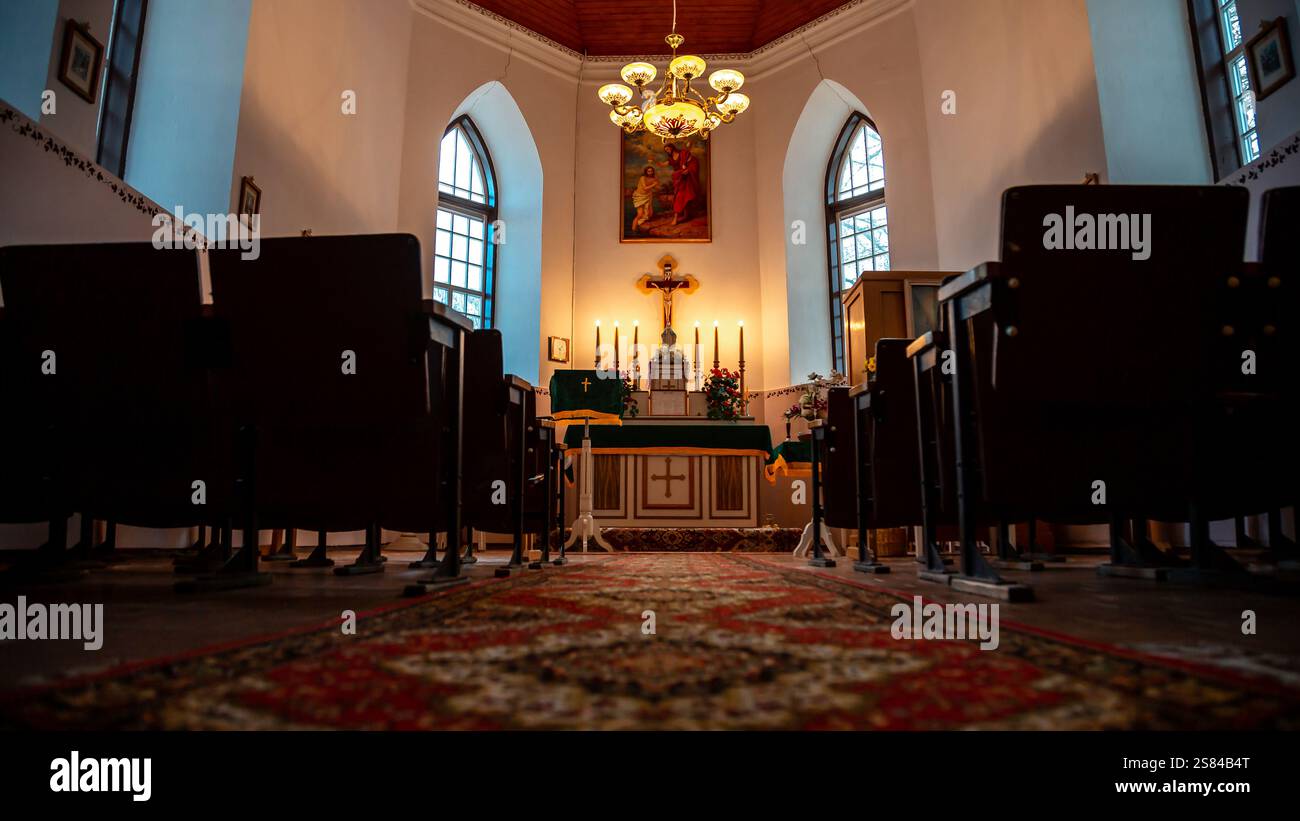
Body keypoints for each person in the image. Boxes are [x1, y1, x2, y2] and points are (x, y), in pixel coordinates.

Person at [664, 144, 701, 226]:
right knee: (679, 196)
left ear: (672, 147)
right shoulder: (671, 159)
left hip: (687, 179)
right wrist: (654, 161)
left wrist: (688, 169)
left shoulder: (683, 153)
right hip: (679, 179)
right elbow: (663, 164)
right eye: (666, 150)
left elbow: (692, 161)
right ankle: (683, 216)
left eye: (668, 148)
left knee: (683, 197)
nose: (667, 150)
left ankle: (677, 218)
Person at [631, 165, 660, 233]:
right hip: (639, 196)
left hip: (648, 195)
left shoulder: (654, 178)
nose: (650, 172)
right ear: (646, 172)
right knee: (640, 214)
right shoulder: (642, 178)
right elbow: (645, 188)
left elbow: (656, 187)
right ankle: (633, 229)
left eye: (651, 171)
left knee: (649, 213)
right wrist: (654, 184)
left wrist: (657, 185)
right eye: (649, 171)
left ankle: (641, 225)